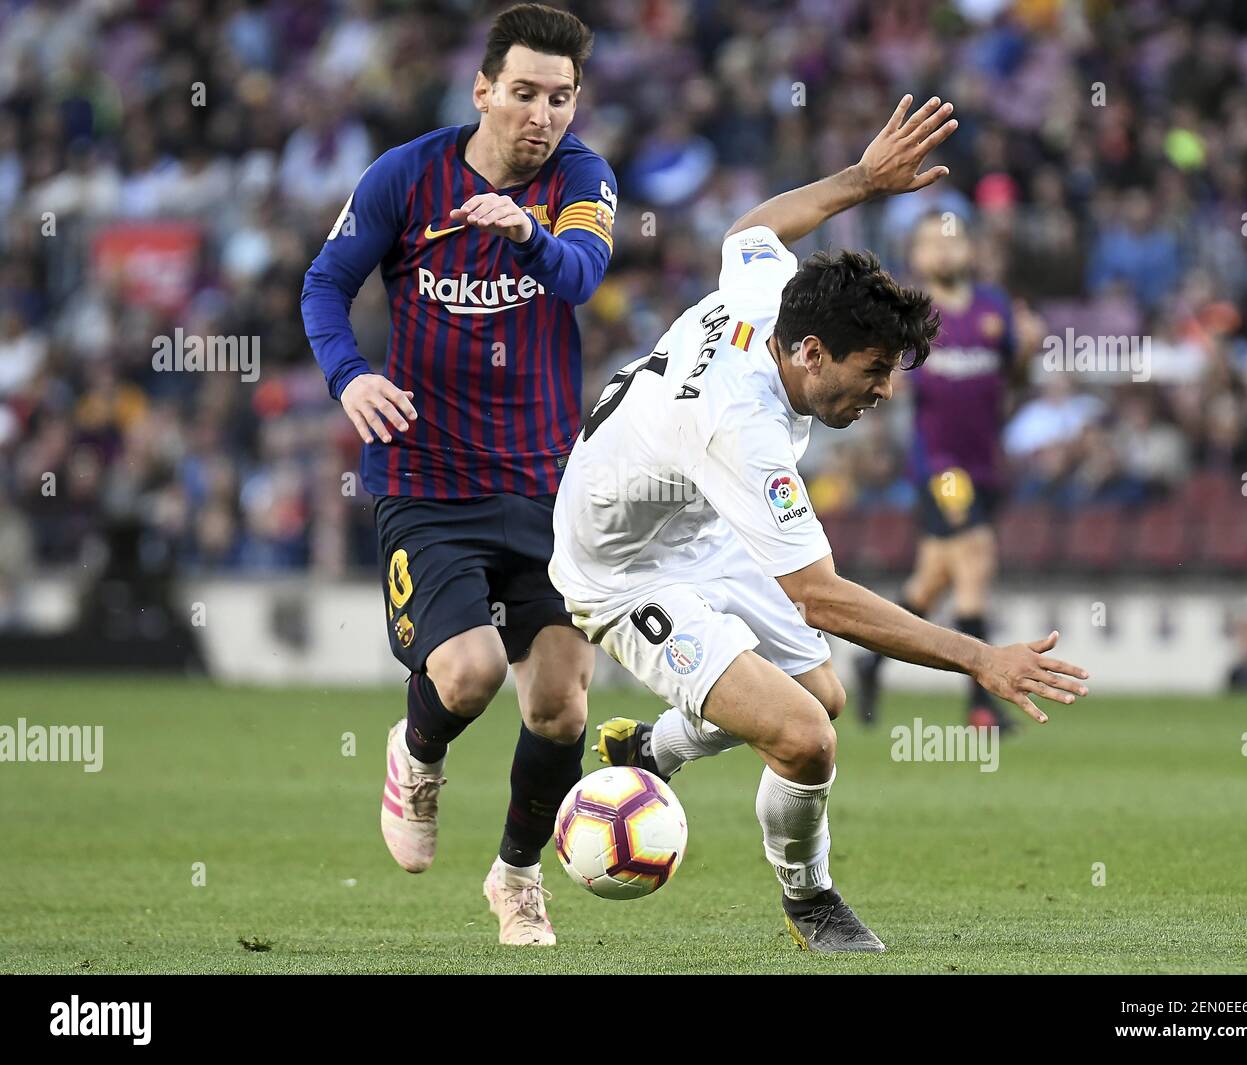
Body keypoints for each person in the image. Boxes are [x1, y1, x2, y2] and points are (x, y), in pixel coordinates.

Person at [550, 96, 1090, 952]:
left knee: (825, 694)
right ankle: (811, 900)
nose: (885, 392)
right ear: (810, 353)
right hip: (621, 569)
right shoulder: (743, 428)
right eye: (873, 370)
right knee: (807, 736)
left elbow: (752, 228)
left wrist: (863, 181)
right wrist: (980, 657)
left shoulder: (773, 295)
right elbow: (822, 599)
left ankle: (654, 749)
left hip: (695, 519)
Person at [301, 4, 617, 946]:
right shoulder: (405, 176)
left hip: (546, 482)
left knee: (560, 701)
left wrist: (525, 233)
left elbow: (580, 274)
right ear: (482, 90)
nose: (542, 115)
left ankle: (517, 877)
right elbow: (324, 284)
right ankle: (418, 750)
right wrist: (350, 376)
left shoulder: (582, 179)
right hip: (427, 477)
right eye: (524, 93)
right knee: (471, 671)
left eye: (560, 97)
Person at [854, 211, 1040, 729]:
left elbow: (1015, 376)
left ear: (970, 250)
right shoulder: (912, 316)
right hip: (940, 468)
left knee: (933, 579)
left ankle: (871, 662)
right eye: (931, 242)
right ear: (916, 256)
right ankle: (981, 703)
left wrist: (1027, 349)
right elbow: (884, 378)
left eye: (951, 240)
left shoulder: (994, 307)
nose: (942, 250)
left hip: (986, 465)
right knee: (976, 556)